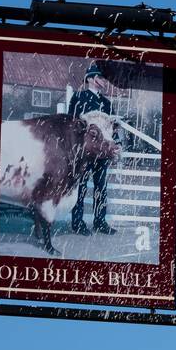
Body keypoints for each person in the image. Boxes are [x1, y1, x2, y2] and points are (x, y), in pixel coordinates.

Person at [68, 62, 117, 235]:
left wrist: (113, 145)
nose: (104, 80)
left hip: (102, 153)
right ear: (91, 79)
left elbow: (111, 129)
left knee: (101, 188)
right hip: (84, 152)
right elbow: (72, 124)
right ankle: (78, 223)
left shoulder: (107, 103)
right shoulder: (79, 97)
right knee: (80, 187)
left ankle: (100, 221)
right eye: (101, 77)